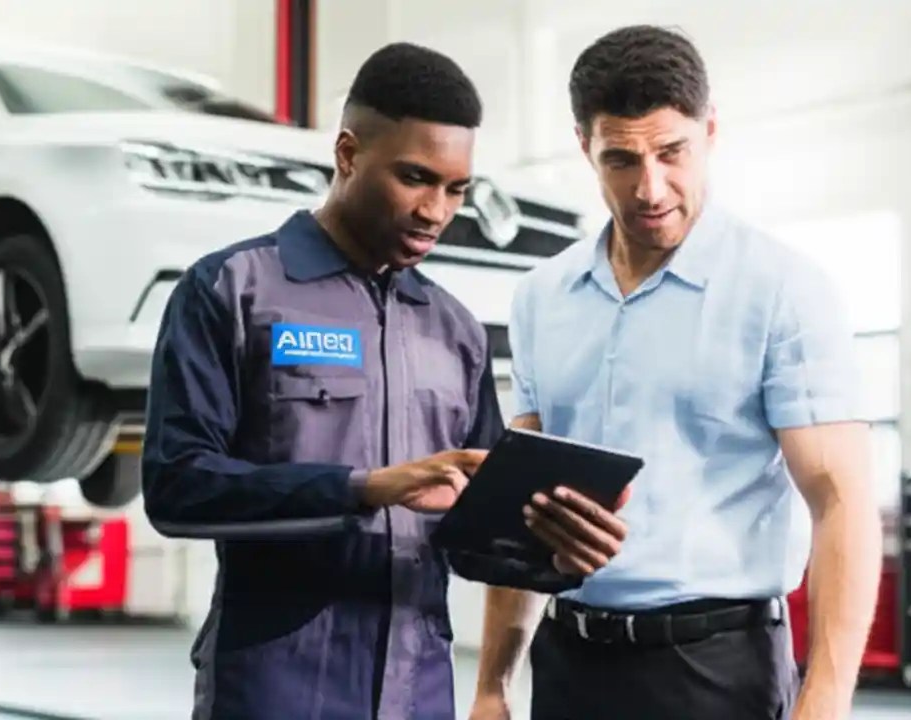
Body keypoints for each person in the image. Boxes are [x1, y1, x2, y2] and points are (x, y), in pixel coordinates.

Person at [141, 42, 627, 720]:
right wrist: (364, 488)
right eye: (415, 177)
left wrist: (561, 553)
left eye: (455, 189)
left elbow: (476, 535)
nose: (436, 211)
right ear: (347, 154)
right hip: (276, 686)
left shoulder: (454, 330)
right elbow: (176, 487)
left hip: (418, 687)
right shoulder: (232, 291)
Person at [469, 25, 884, 720]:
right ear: (585, 149)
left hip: (715, 671)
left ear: (710, 129)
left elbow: (840, 499)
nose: (650, 188)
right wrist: (491, 685)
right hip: (568, 664)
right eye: (621, 160)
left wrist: (826, 701)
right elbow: (527, 504)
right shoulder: (542, 297)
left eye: (671, 152)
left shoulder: (781, 289)